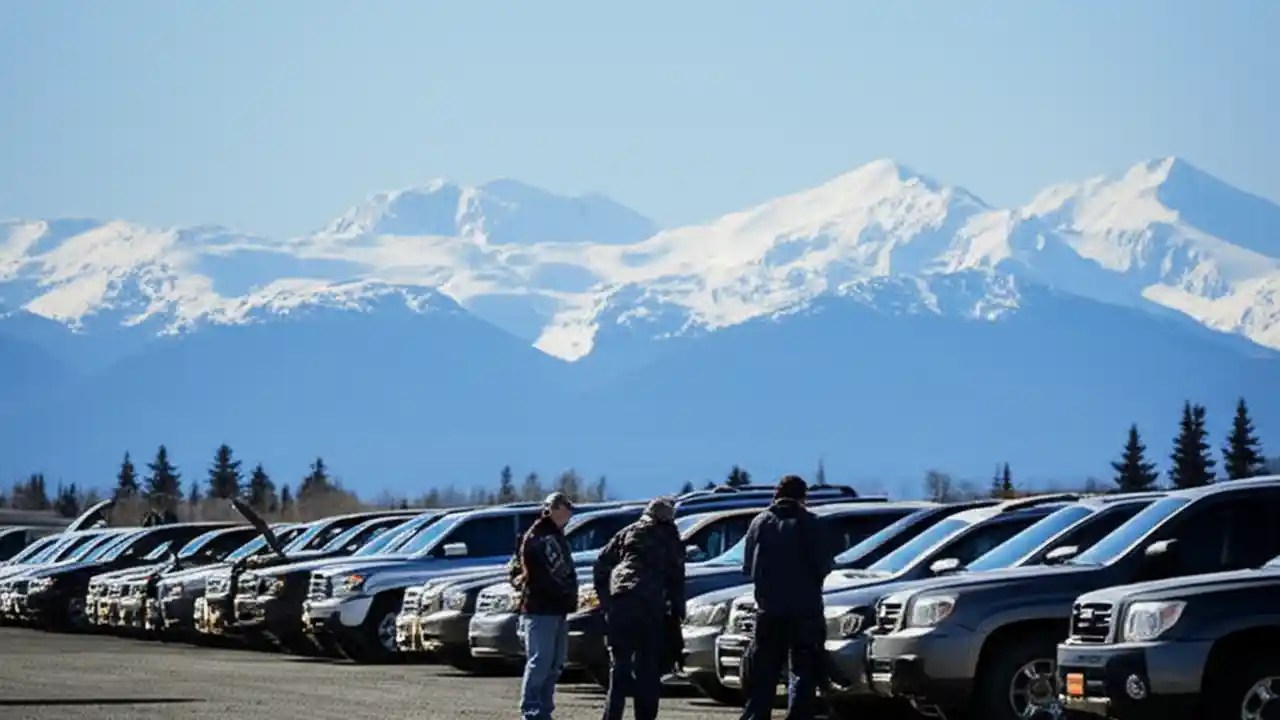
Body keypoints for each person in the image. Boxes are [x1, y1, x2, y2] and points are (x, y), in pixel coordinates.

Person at [738, 475, 833, 720]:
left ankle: (757, 715)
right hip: (805, 609)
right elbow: (822, 564)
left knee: (764, 672)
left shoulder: (759, 522)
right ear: (803, 496)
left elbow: (748, 566)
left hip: (768, 609)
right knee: (803, 669)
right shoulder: (812, 523)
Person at [593, 496, 687, 720]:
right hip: (650, 607)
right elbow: (676, 577)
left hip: (622, 603)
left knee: (620, 668)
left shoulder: (628, 532)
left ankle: (611, 716)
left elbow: (601, 564)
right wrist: (677, 611)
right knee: (648, 669)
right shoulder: (670, 537)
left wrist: (607, 600)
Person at [515, 492, 578, 720]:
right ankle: (532, 711)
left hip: (556, 608)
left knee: (555, 663)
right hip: (540, 608)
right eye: (566, 507)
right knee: (540, 662)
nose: (570, 512)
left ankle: (544, 710)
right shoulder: (540, 537)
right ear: (554, 508)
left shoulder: (554, 534)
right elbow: (555, 573)